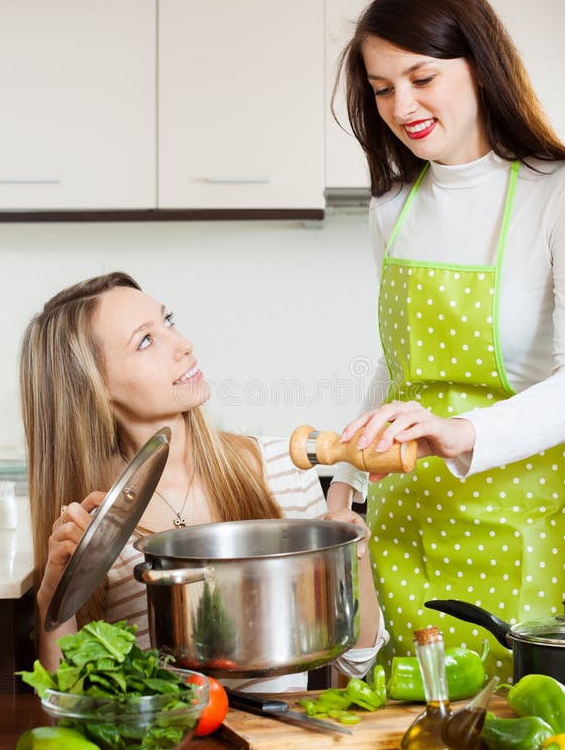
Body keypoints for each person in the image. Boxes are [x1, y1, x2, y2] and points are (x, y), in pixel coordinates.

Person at [326, 0, 565, 681]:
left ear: (479, 64)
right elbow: (400, 368)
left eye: (421, 77)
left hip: (527, 519)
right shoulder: (393, 205)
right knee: (418, 730)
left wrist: (461, 435)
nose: (402, 105)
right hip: (409, 516)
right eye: (381, 87)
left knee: (520, 733)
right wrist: (342, 483)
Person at [20, 271, 387, 691]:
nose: (183, 344)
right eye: (145, 341)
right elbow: (70, 698)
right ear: (95, 387)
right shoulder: (96, 532)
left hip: (279, 747)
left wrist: (353, 553)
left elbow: (357, 661)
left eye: (168, 321)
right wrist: (54, 598)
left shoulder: (281, 469)